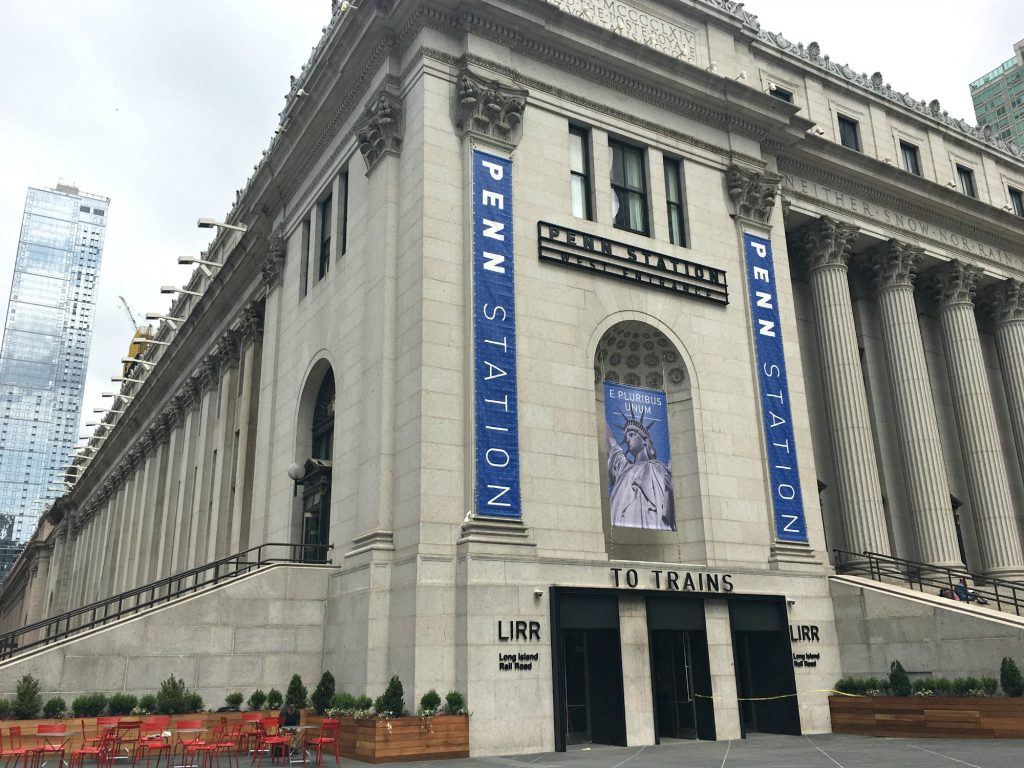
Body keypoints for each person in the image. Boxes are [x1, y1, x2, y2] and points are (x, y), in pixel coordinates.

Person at [606, 416, 675, 530]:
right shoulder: (624, 468)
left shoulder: (659, 468)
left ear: (644, 441)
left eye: (632, 435)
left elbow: (667, 511)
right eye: (627, 437)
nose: (627, 440)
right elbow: (610, 442)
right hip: (624, 521)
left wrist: (671, 492)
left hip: (652, 520)